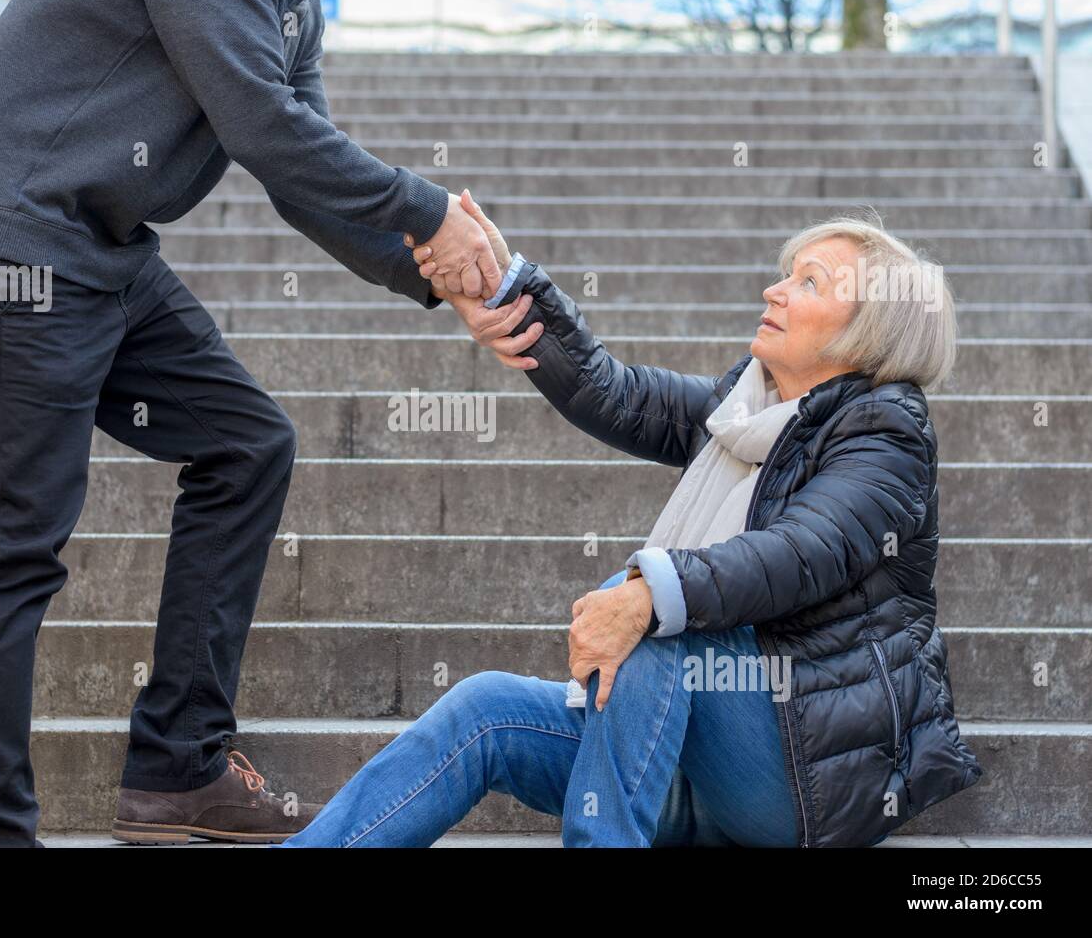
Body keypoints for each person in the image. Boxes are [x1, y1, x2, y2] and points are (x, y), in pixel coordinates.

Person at [0, 0, 506, 847]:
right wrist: (425, 208)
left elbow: (303, 170)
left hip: (95, 245)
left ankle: (176, 767)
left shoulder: (295, 2)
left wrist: (444, 281)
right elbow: (261, 123)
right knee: (11, 539)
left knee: (248, 444)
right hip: (1, 234)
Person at [281, 203, 984, 848]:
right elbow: (610, 390)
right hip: (687, 768)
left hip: (803, 778)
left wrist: (649, 594)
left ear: (872, 329)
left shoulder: (885, 431)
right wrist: (505, 286)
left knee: (654, 600)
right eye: (784, 275)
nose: (774, 291)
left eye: (808, 282)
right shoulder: (742, 413)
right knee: (486, 708)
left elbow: (805, 550)